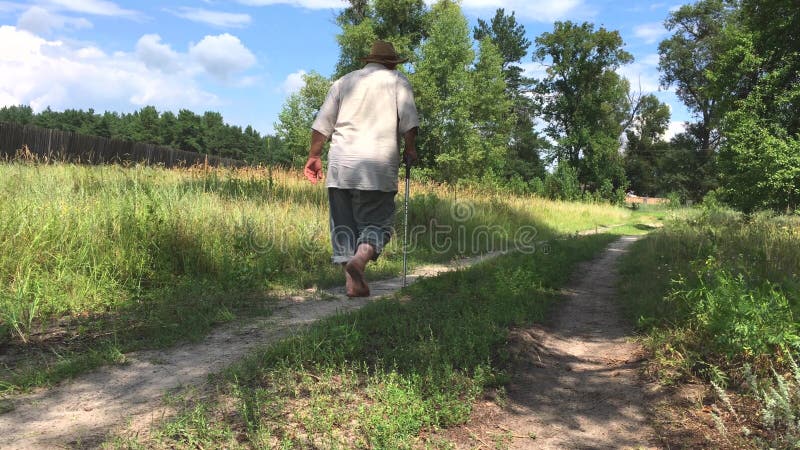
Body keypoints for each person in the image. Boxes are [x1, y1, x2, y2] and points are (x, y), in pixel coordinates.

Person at [303, 40, 419, 298]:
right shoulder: (397, 81)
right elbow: (409, 122)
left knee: (343, 228)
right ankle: (360, 260)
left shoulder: (343, 82)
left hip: (341, 166)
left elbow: (321, 124)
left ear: (368, 60)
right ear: (391, 63)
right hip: (377, 167)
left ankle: (353, 284)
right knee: (377, 224)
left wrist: (314, 156)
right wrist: (410, 149)